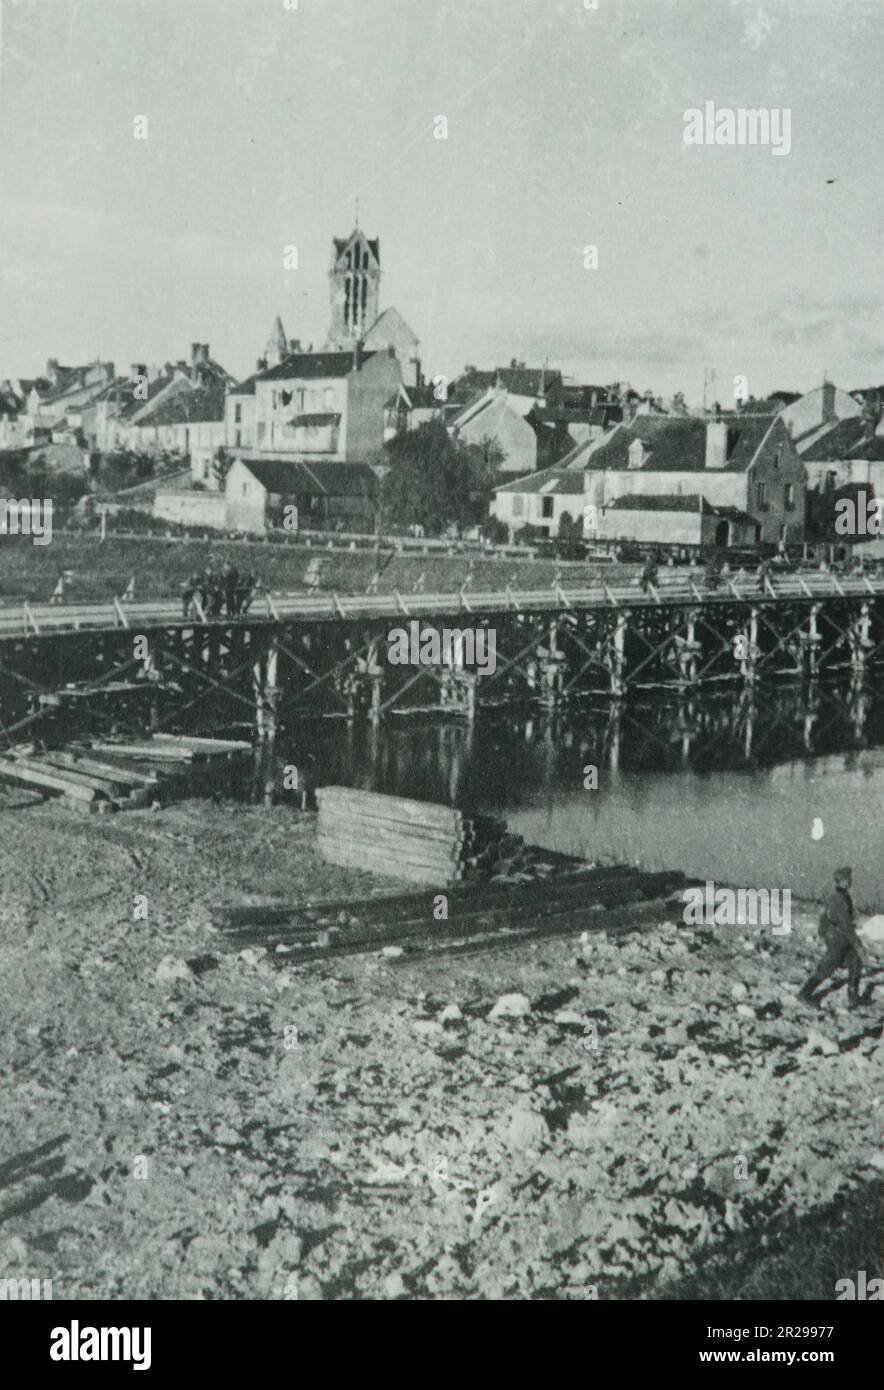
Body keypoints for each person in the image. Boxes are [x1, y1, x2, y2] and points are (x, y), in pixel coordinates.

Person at [799, 866, 865, 1011]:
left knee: (855, 962)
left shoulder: (840, 896)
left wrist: (824, 932)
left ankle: (853, 998)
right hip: (838, 939)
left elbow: (825, 918)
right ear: (840, 881)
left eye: (849, 878)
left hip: (837, 937)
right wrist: (857, 943)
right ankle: (804, 994)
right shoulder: (839, 899)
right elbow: (846, 925)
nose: (850, 881)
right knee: (827, 967)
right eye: (847, 879)